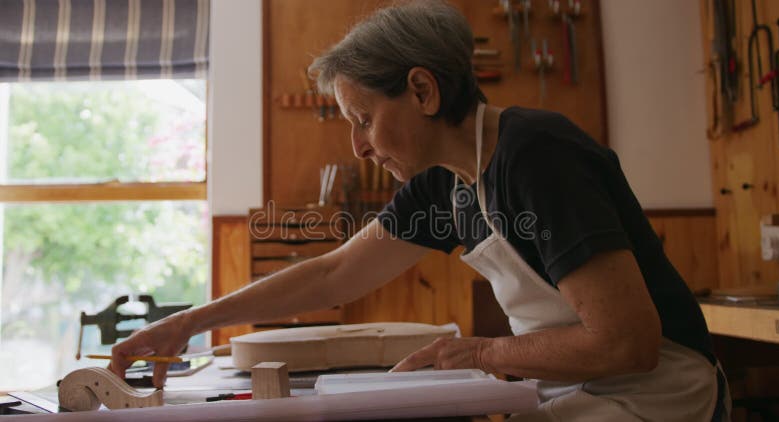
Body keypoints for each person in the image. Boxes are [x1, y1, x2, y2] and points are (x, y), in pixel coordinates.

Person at [110, 1, 730, 420]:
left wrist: (483, 353)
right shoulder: (445, 185)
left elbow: (627, 343)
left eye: (364, 120)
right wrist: (190, 321)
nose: (358, 145)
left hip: (657, 396)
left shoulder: (537, 155)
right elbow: (333, 273)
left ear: (423, 91)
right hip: (573, 387)